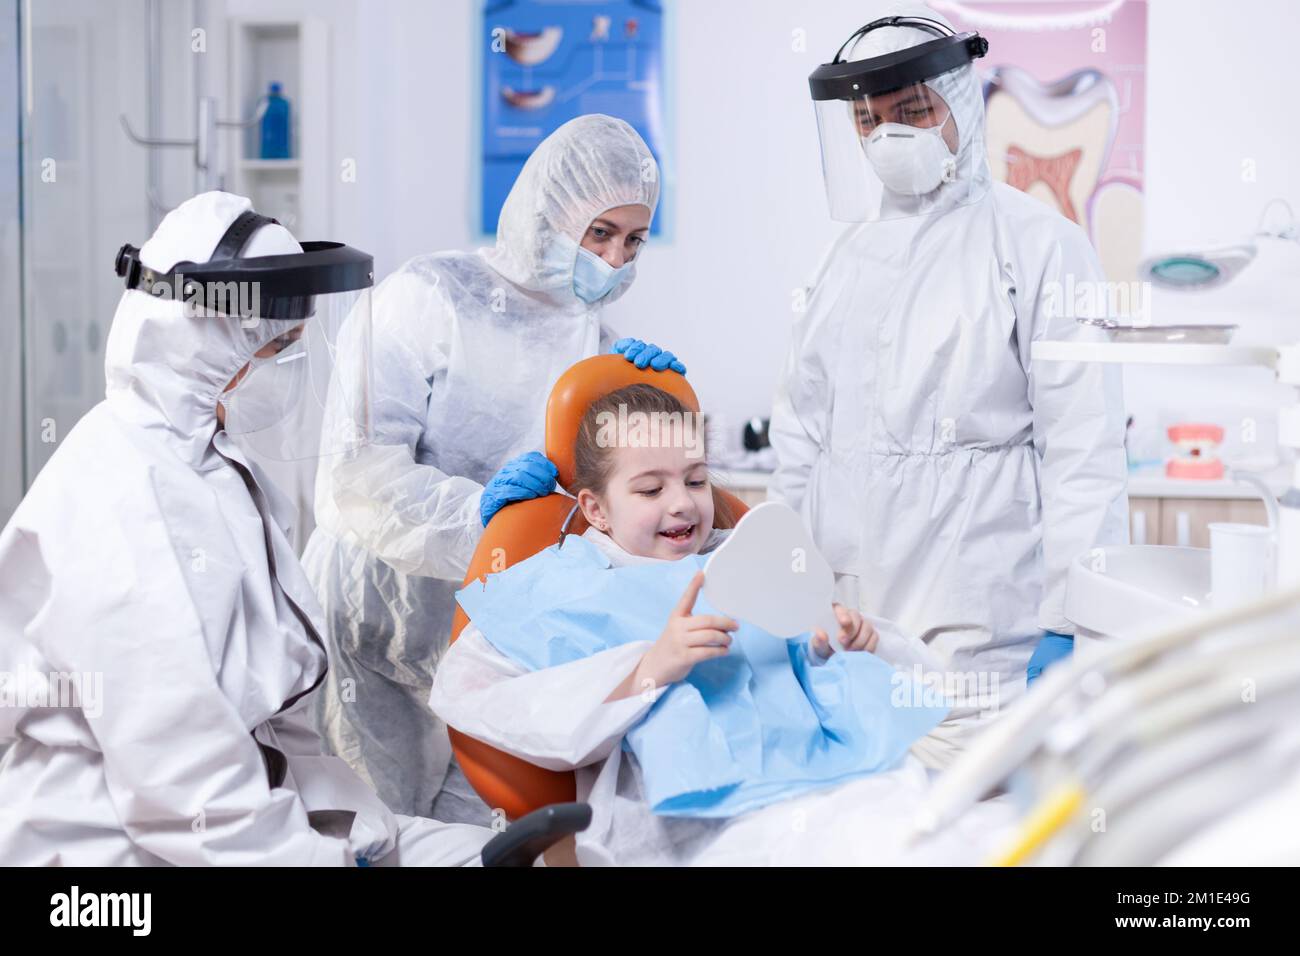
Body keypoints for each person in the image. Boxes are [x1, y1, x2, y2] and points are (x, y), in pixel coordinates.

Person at [0, 191, 492, 865]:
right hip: (106, 858)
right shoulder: (123, 496)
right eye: (279, 348)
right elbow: (189, 791)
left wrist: (376, 835)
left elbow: (270, 738)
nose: (292, 370)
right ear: (202, 340)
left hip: (243, 827)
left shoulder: (212, 465)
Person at [429, 384, 1004, 866]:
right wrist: (645, 669)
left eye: (697, 480)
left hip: (839, 780)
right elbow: (466, 691)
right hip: (701, 826)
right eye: (651, 488)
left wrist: (848, 645)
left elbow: (907, 675)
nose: (682, 503)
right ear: (596, 509)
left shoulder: (748, 555)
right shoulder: (565, 585)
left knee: (976, 832)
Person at [770, 1, 1128, 766]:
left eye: (913, 110)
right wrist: (783, 583)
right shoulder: (840, 264)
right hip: (852, 635)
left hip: (986, 643)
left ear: (960, 101)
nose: (888, 134)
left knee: (980, 829)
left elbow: (1085, 451)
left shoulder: (1038, 247)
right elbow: (799, 440)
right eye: (869, 119)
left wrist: (1073, 617)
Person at [303, 114, 685, 823]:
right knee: (367, 834)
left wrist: (650, 408)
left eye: (632, 240)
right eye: (599, 233)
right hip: (374, 622)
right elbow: (352, 476)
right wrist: (479, 516)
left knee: (472, 837)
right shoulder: (430, 298)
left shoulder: (596, 342)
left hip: (491, 641)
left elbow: (598, 505)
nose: (614, 259)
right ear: (548, 212)